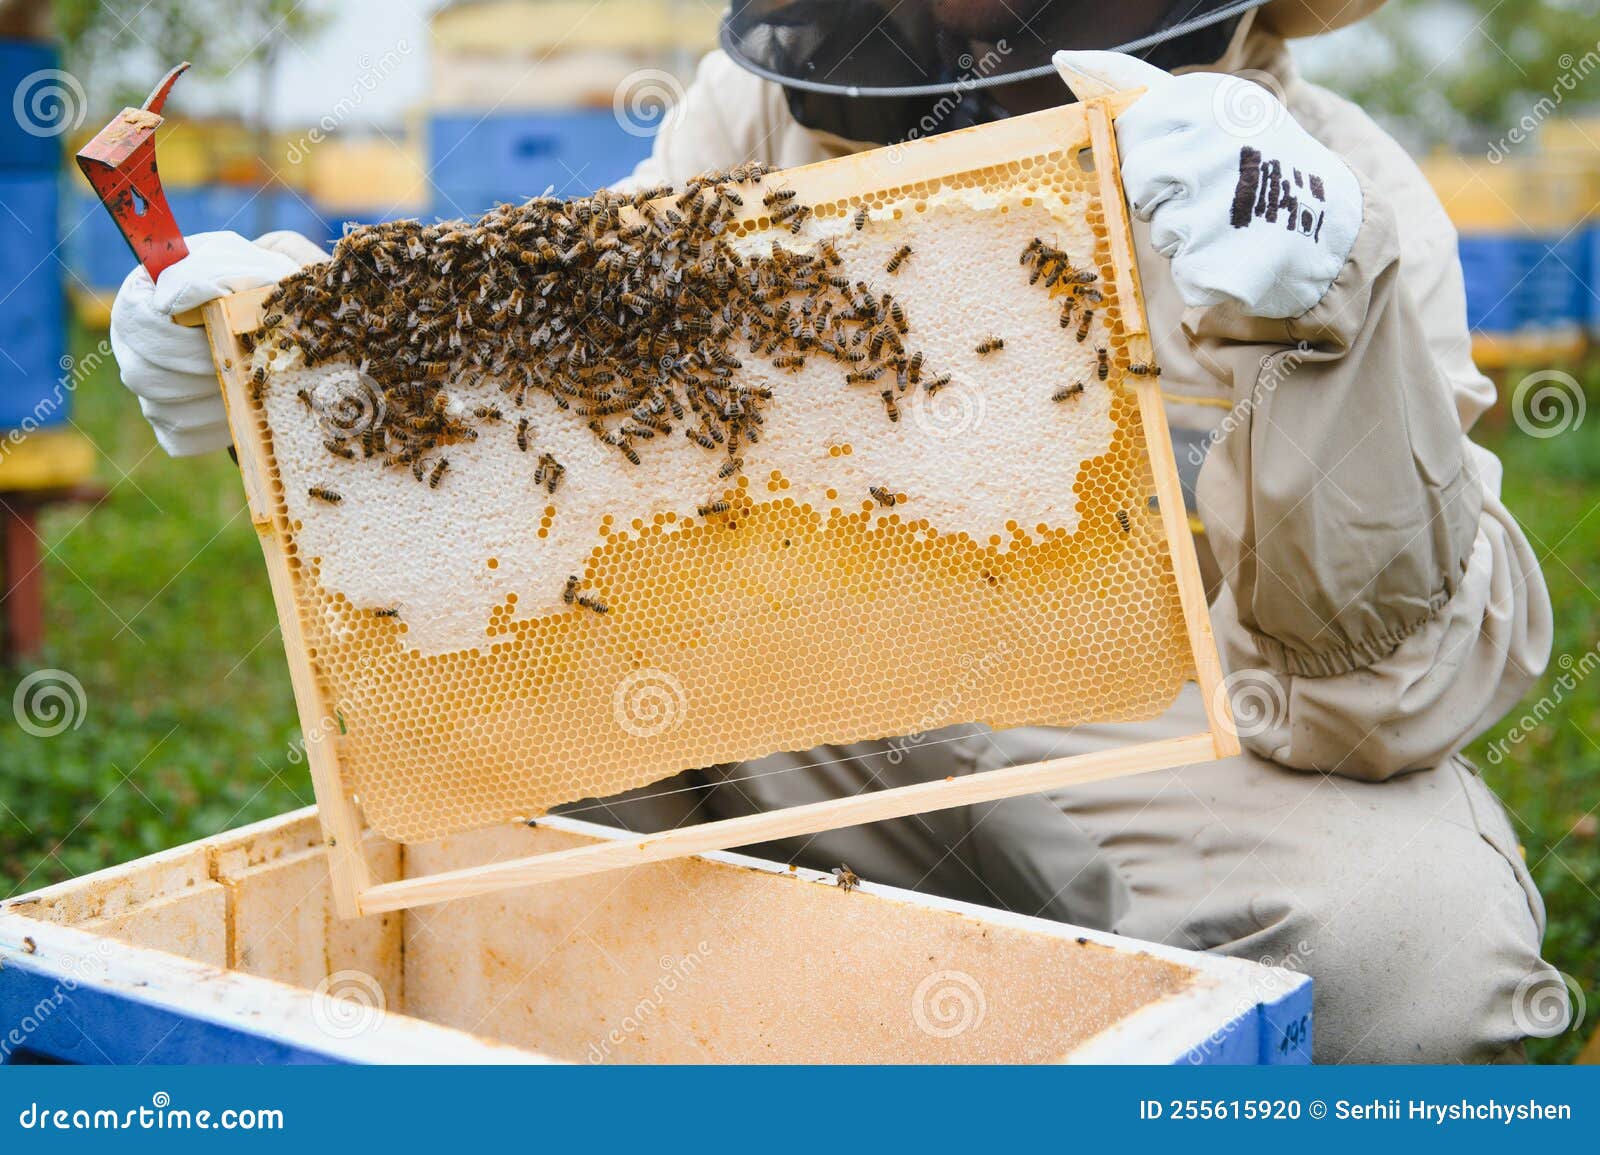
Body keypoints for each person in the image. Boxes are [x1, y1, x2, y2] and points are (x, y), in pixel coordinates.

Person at [109, 0, 1565, 1062]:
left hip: (1148, 729)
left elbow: (1385, 691)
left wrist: (1327, 322)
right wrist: (306, 361)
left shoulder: (1339, 190)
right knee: (466, 791)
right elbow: (561, 411)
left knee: (1404, 969)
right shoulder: (757, 111)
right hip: (789, 685)